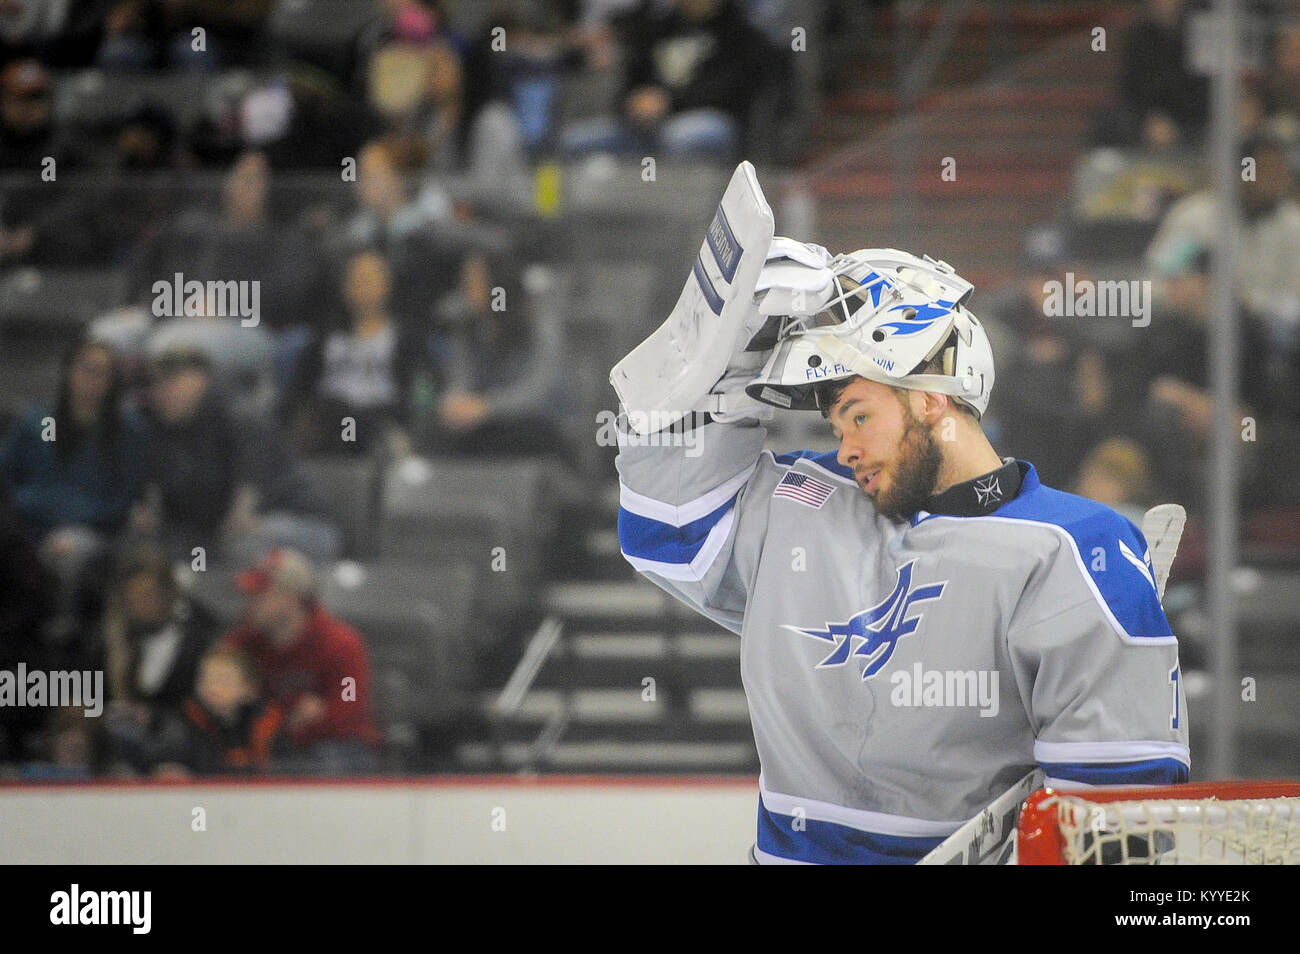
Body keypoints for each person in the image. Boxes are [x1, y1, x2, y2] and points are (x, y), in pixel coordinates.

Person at [612, 184, 1189, 864]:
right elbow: (662, 523)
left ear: (934, 396)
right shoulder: (799, 502)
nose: (845, 445)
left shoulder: (1075, 550)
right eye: (834, 424)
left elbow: (1122, 825)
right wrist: (729, 357)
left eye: (859, 414)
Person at [0, 336, 148, 652]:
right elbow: (6, 469)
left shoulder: (127, 429)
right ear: (69, 371)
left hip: (90, 529)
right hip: (29, 521)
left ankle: (56, 627)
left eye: (102, 372)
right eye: (85, 368)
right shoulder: (37, 419)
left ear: (113, 382)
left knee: (69, 552)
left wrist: (75, 523)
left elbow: (125, 496)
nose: (91, 378)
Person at [133, 347, 340, 566]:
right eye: (157, 384)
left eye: (171, 383)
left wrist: (235, 517)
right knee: (149, 551)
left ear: (201, 379)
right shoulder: (165, 431)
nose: (162, 393)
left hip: (299, 525)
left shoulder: (240, 417)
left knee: (241, 545)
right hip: (224, 532)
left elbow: (245, 504)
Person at [222, 549, 381, 775]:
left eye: (260, 595)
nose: (250, 605)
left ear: (291, 597)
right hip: (271, 741)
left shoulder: (342, 644)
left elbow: (348, 710)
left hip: (336, 746)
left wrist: (293, 726)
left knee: (328, 761)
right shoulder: (242, 644)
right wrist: (284, 722)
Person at [148, 645, 286, 777]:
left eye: (223, 679)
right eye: (205, 679)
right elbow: (169, 764)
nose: (212, 687)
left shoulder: (268, 721)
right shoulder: (183, 721)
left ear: (249, 688)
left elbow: (287, 768)